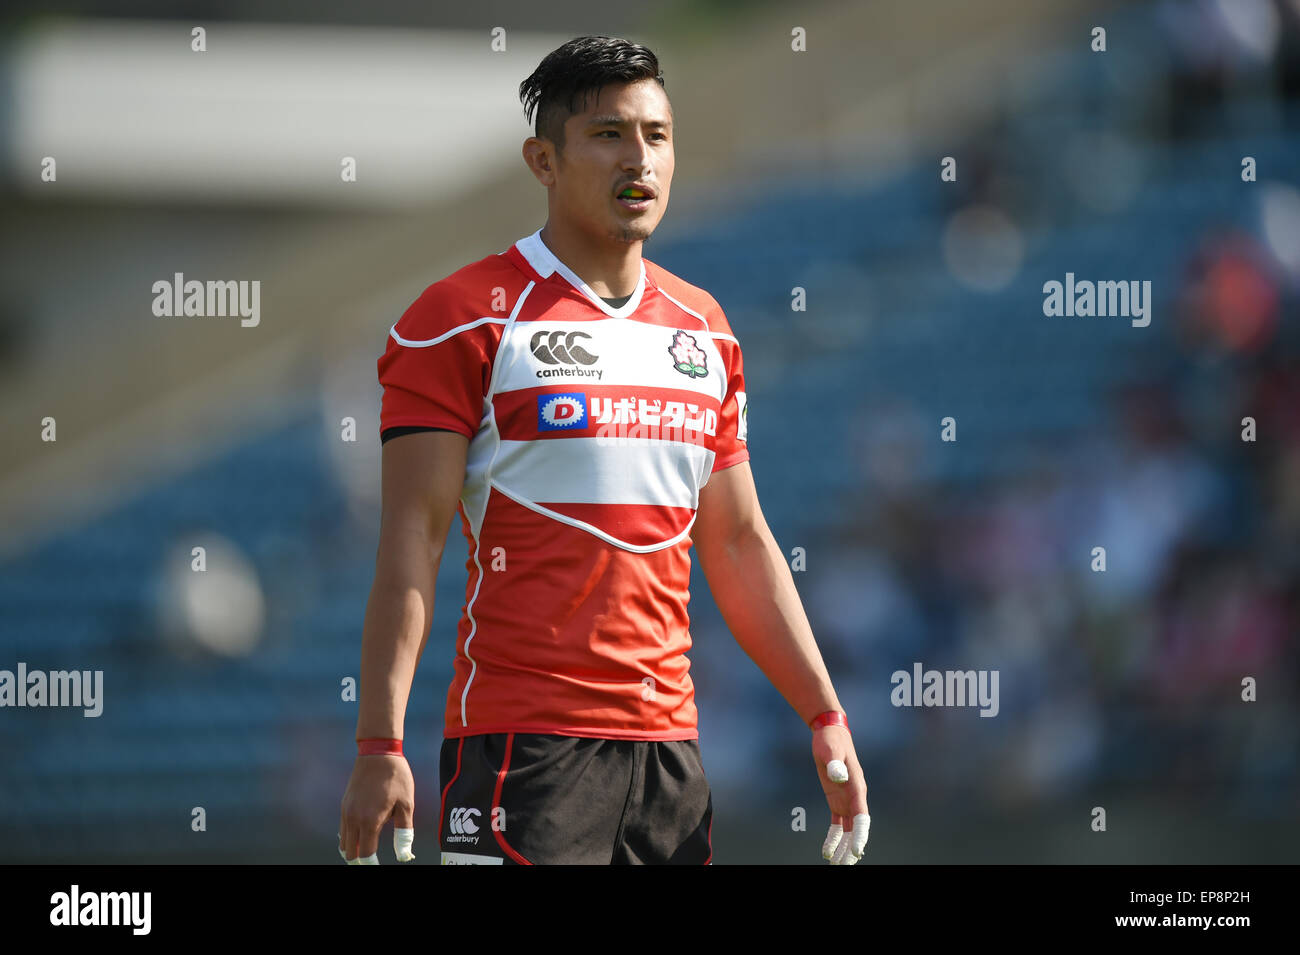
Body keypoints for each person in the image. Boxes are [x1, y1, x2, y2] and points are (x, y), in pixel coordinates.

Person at [338, 35, 869, 865]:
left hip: (670, 763)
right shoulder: (462, 317)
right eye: (609, 134)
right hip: (525, 751)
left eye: (657, 136)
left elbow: (736, 540)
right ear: (542, 161)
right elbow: (412, 544)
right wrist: (380, 742)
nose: (640, 158)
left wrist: (825, 713)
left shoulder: (706, 331)